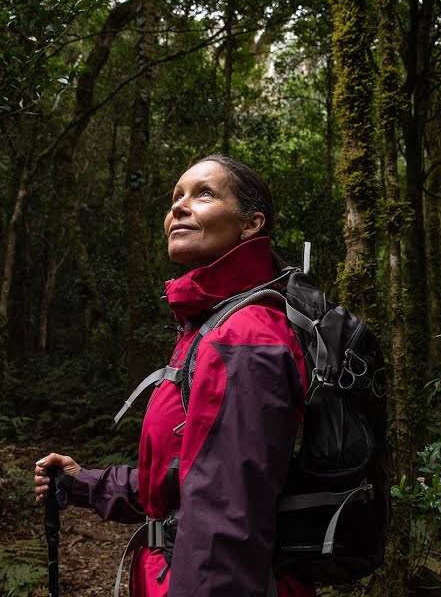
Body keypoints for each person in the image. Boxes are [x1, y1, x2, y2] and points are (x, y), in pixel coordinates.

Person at [34, 154, 314, 597]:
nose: (179, 207)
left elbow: (225, 524)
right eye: (176, 197)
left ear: (251, 224)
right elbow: (186, 482)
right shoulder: (210, 326)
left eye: (204, 194)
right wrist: (82, 482)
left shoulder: (243, 337)